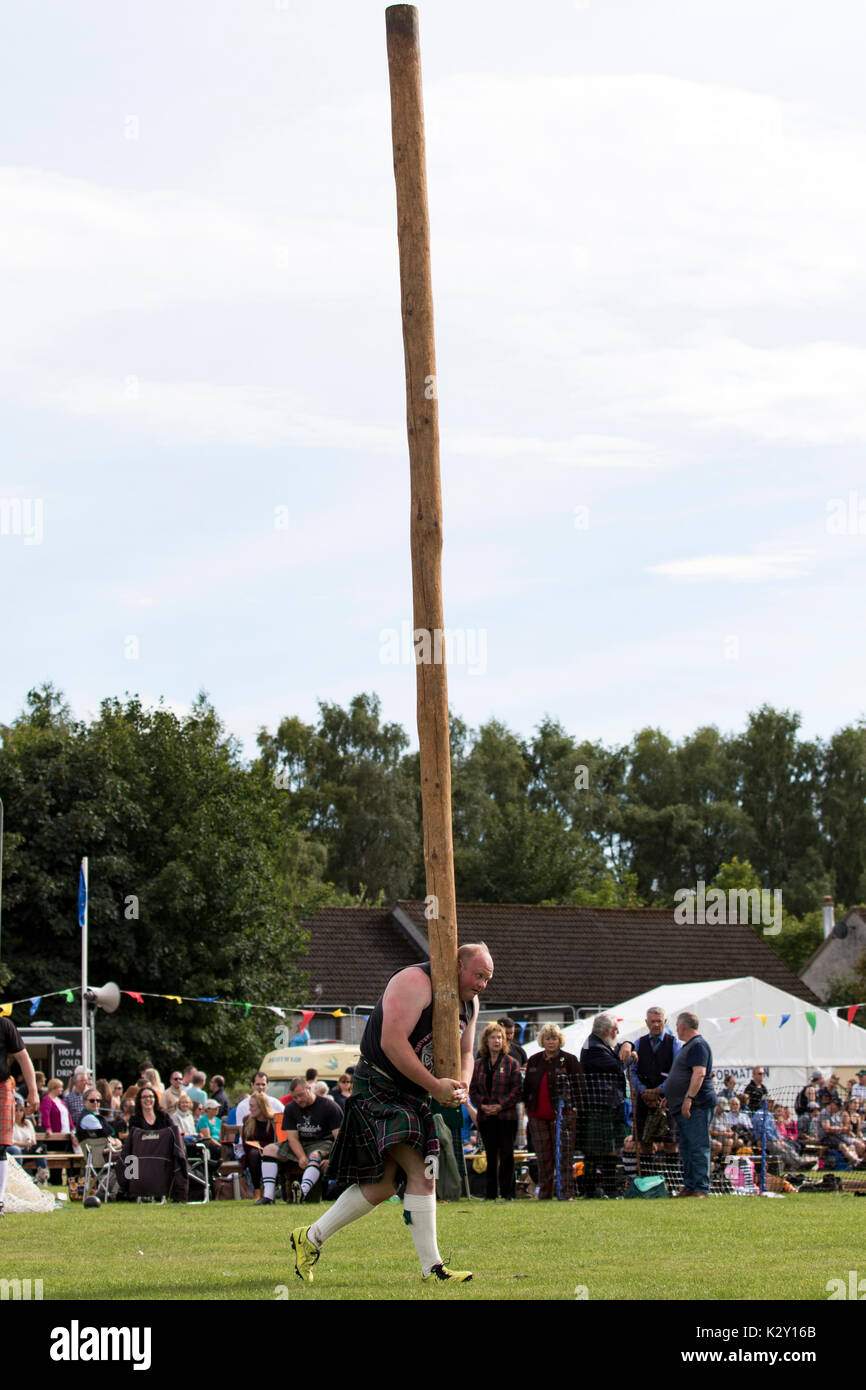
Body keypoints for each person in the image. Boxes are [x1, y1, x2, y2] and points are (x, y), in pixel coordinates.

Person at [290, 942, 492, 1285]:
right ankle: (433, 1269)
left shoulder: (469, 1004)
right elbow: (392, 1041)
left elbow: (465, 1052)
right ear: (458, 964)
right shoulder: (414, 981)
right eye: (479, 975)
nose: (483, 984)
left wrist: (463, 1086)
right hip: (379, 1084)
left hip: (413, 1094)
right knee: (423, 1169)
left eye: (488, 978)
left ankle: (309, 1238)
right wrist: (435, 1085)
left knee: (382, 1186)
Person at [651, 1011, 716, 1197]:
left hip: (697, 1105)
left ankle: (701, 1188)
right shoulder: (690, 1046)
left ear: (683, 1026)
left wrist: (689, 1098)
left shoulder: (698, 1045)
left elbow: (699, 1074)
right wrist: (671, 1097)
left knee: (698, 1146)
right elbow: (682, 1076)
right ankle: (690, 1186)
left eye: (677, 1026)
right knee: (687, 1147)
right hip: (683, 1104)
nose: (676, 1029)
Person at [259, 1077, 343, 1206]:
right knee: (268, 1149)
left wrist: (332, 1159)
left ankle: (302, 1192)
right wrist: (301, 1156)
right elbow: (292, 1138)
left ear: (308, 1089)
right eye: (294, 1097)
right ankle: (268, 1196)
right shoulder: (290, 1108)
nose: (298, 1100)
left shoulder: (329, 1106)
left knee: (314, 1155)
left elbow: (340, 1138)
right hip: (300, 1145)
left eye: (300, 1095)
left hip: (323, 1143)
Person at [523, 1023, 583, 1199]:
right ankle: (545, 1193)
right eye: (548, 1038)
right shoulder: (534, 1060)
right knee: (543, 1158)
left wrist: (572, 1110)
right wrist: (528, 1107)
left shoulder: (569, 1060)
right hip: (537, 1116)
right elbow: (526, 1088)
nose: (551, 1042)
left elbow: (580, 1088)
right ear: (542, 1040)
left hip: (563, 1116)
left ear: (559, 1040)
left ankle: (566, 1192)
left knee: (564, 1156)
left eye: (554, 1038)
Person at [579, 1014, 632, 1199]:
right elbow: (617, 1066)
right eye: (615, 1029)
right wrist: (631, 1057)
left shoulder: (604, 1043)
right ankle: (591, 1189)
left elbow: (620, 1047)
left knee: (612, 1147)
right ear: (606, 1030)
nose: (618, 1032)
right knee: (594, 1150)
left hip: (610, 1105)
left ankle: (610, 1188)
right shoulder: (593, 1047)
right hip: (598, 1106)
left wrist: (628, 1045)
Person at [469, 1021, 521, 1200]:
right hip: (485, 1116)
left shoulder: (512, 1063)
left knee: (507, 1154)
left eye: (499, 1037)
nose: (497, 1041)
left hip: (506, 1116)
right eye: (493, 1037)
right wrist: (482, 1105)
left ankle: (508, 1193)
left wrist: (500, 1105)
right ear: (486, 1040)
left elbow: (517, 1090)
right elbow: (472, 1089)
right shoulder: (478, 1064)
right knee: (490, 1155)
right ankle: (490, 1194)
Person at [0, 1016, 41, 1216]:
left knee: (0, 1146)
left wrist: (33, 1091)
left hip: (1, 1087)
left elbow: (23, 1057)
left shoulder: (4, 1025)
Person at [629, 1006, 680, 1158]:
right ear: (646, 1022)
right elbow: (631, 1071)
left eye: (659, 1021)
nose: (656, 1025)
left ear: (665, 1021)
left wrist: (659, 1090)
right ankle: (647, 1173)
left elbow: (677, 1072)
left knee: (670, 1142)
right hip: (643, 1100)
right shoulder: (638, 1043)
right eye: (653, 1021)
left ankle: (672, 1173)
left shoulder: (674, 1043)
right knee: (644, 1141)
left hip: (667, 1100)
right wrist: (644, 1091)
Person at [243, 1093, 276, 1199]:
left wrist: (262, 1145)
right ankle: (257, 1190)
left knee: (265, 1154)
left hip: (272, 1152)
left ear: (262, 1106)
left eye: (252, 1106)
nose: (250, 1109)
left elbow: (277, 1141)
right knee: (254, 1154)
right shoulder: (248, 1120)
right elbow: (246, 1143)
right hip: (254, 1152)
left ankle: (268, 1190)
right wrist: (260, 1146)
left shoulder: (273, 1120)